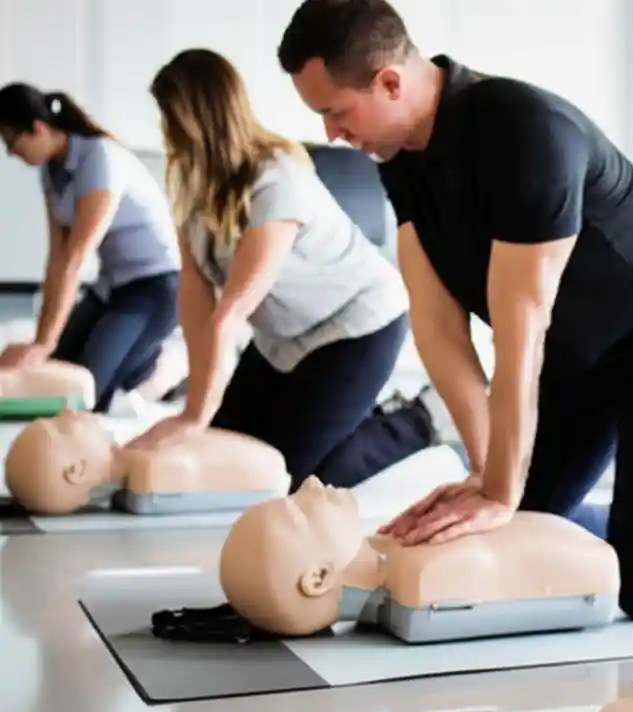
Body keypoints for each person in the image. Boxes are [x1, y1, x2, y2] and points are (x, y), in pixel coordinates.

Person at [275, 0, 633, 621]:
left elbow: (520, 329)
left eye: (335, 112)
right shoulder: (401, 161)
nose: (332, 133)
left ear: (389, 82)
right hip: (578, 363)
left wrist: (502, 487)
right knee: (515, 528)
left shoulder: (521, 130)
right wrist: (486, 478)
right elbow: (439, 326)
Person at [127, 48, 436, 491]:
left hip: (355, 325)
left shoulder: (277, 178)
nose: (167, 131)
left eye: (172, 118)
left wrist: (193, 415)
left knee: (290, 478)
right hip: (283, 335)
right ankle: (345, 413)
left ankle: (417, 421)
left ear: (202, 118)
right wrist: (197, 415)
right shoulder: (193, 186)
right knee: (228, 451)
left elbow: (230, 312)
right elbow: (196, 300)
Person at [0, 83, 181, 412]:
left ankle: (158, 365)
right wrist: (43, 343)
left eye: (11, 141)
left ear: (38, 129)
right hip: (113, 285)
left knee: (89, 390)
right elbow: (57, 257)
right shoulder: (50, 171)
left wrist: (43, 341)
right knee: (57, 368)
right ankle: (135, 356)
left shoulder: (100, 158)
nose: (10, 152)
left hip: (156, 286)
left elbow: (76, 258)